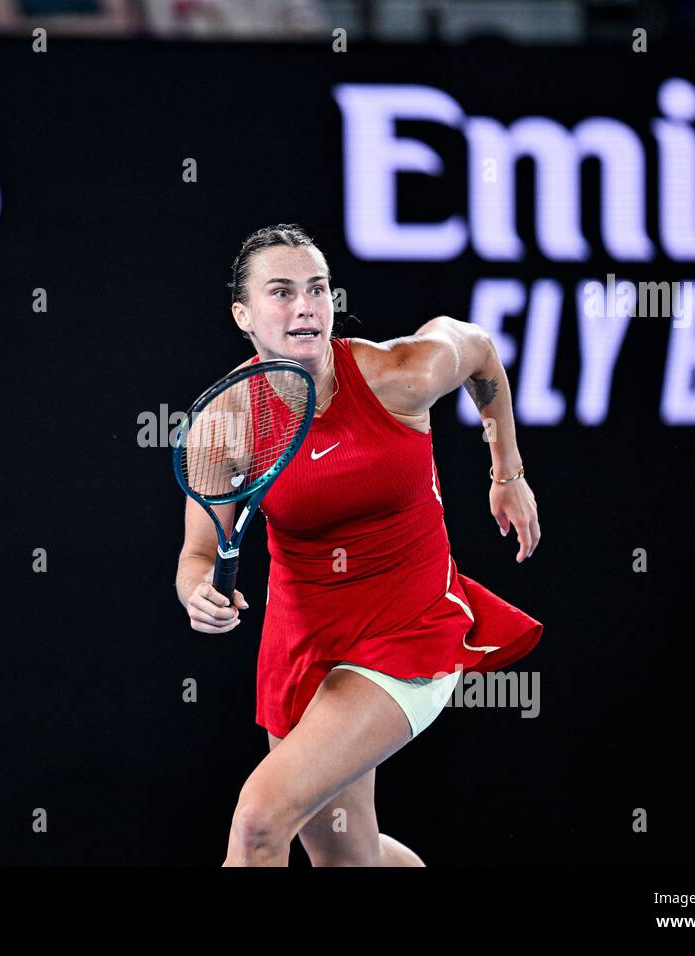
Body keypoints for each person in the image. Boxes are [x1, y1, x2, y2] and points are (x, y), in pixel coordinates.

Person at [175, 223, 543, 867]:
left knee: (259, 823)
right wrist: (197, 594)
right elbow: (199, 554)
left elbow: (481, 351)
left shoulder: (399, 373)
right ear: (244, 315)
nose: (305, 307)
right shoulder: (226, 425)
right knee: (351, 859)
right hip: (302, 644)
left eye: (317, 289)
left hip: (409, 627)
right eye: (282, 292)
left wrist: (507, 473)